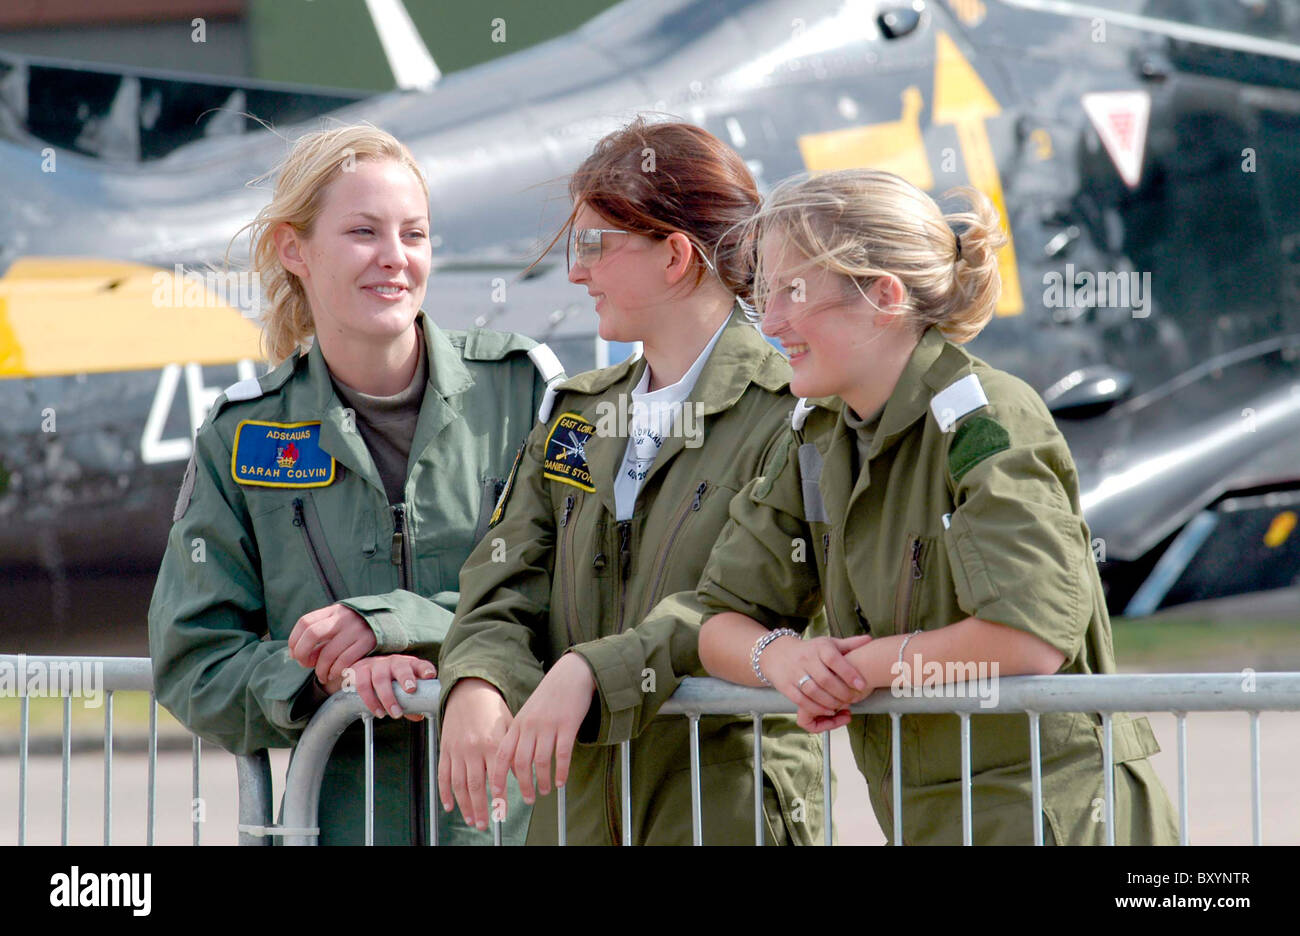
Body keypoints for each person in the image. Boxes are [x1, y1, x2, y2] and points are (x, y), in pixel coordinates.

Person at [685, 168, 1181, 845]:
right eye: (765, 294)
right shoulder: (817, 439)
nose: (770, 322)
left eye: (792, 291)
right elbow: (715, 622)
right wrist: (782, 660)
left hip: (1056, 818)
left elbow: (1028, 637)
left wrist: (852, 671)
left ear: (884, 296)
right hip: (928, 822)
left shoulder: (987, 420)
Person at [148, 124, 558, 845]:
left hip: (514, 828)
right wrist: (321, 680)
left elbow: (579, 597)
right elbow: (192, 658)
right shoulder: (241, 436)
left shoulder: (526, 395)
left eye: (415, 234)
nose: (395, 259)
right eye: (364, 232)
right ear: (293, 249)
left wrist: (398, 623)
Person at [436, 118, 841, 845]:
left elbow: (743, 603)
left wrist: (592, 670)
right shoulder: (577, 413)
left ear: (675, 256)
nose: (576, 272)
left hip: (727, 812)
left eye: (593, 245)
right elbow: (501, 583)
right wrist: (477, 677)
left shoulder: (794, 416)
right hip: (579, 816)